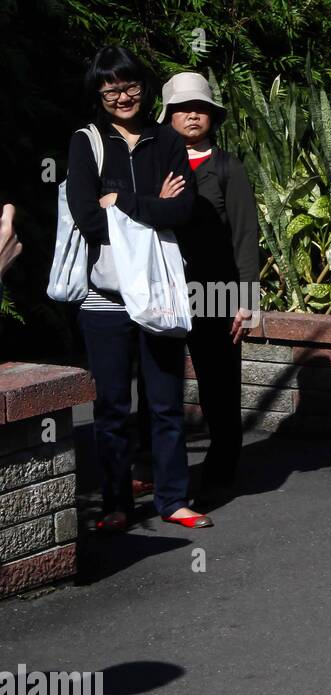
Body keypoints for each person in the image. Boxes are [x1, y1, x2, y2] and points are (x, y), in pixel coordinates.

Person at [64, 46, 210, 531]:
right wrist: (150, 205)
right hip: (104, 296)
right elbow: (88, 218)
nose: (123, 96)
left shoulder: (166, 139)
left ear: (145, 89)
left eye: (130, 86)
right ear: (98, 93)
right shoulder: (86, 142)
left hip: (160, 288)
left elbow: (183, 211)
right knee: (111, 406)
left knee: (166, 401)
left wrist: (122, 202)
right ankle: (116, 504)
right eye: (111, 89)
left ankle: (173, 500)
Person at [160, 72, 259, 506]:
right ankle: (159, 471)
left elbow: (244, 235)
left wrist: (247, 300)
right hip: (163, 291)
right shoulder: (153, 165)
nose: (192, 114)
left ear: (212, 115)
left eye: (200, 107)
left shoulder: (226, 166)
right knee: (159, 385)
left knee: (218, 383)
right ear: (168, 116)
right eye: (182, 108)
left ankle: (220, 471)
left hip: (215, 291)